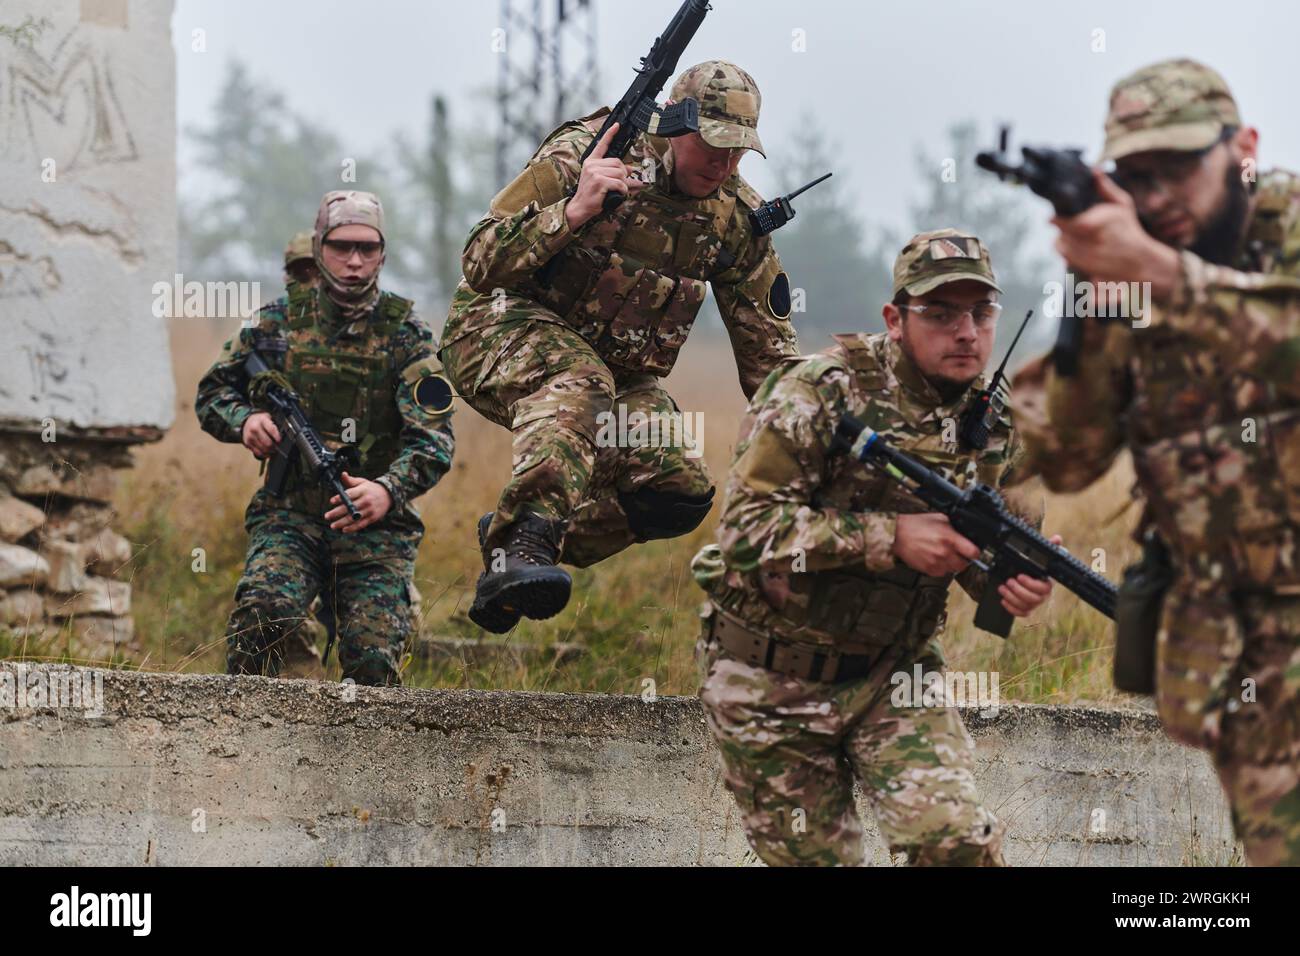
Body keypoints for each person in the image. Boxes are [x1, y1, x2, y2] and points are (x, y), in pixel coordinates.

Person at [1009, 58, 1300, 865]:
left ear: (1243, 146)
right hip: (1246, 654)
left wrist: (1163, 278)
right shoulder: (1134, 271)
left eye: (1179, 168)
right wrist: (1097, 301)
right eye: (1136, 176)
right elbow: (1067, 460)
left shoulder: (1286, 231)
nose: (1159, 196)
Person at [693, 230, 1056, 865]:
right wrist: (890, 538)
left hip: (896, 671)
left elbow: (988, 571)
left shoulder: (1000, 429)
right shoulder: (817, 393)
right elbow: (746, 531)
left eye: (980, 313)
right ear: (896, 319)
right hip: (769, 676)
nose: (966, 331)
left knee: (956, 848)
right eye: (941, 314)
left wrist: (1013, 585)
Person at [440, 60, 799, 632]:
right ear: (676, 125)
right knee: (584, 382)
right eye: (713, 145)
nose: (724, 163)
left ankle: (520, 555)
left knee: (676, 489)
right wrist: (575, 210)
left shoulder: (734, 219)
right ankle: (526, 533)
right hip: (495, 329)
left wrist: (830, 444)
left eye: (738, 151)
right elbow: (480, 259)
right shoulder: (588, 152)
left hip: (613, 377)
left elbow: (772, 366)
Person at [195, 190, 455, 685]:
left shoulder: (409, 337)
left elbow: (435, 441)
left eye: (368, 248)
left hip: (375, 527)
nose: (355, 261)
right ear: (319, 248)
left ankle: (364, 762)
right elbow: (212, 392)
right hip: (290, 515)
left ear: (383, 252)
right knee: (262, 619)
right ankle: (247, 748)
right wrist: (245, 422)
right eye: (341, 247)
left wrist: (386, 491)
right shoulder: (276, 324)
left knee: (373, 660)